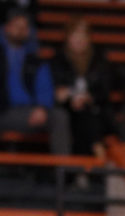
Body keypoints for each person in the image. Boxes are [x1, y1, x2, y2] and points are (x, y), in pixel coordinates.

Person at [0, 7, 68, 155]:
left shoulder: (36, 60)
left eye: (24, 27)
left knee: (59, 116)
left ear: (29, 32)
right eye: (16, 26)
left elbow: (45, 87)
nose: (20, 30)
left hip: (28, 113)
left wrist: (42, 107)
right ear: (7, 28)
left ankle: (62, 173)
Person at [50, 17, 116, 159]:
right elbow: (56, 90)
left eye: (83, 35)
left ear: (89, 38)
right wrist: (70, 98)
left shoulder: (100, 60)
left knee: (88, 115)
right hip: (68, 110)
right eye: (75, 35)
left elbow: (104, 90)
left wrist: (89, 97)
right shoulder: (58, 61)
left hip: (96, 110)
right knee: (78, 117)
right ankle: (97, 154)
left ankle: (83, 168)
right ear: (68, 37)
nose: (79, 39)